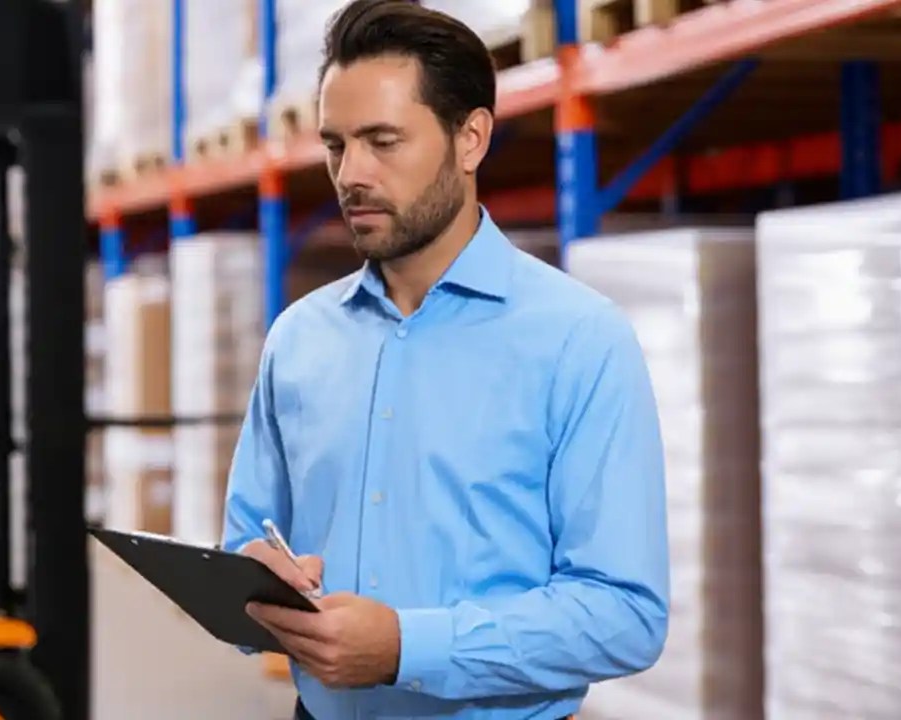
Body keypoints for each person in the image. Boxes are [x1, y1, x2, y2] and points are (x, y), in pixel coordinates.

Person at [222, 2, 669, 719]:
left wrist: (409, 645)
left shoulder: (578, 340)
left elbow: (625, 614)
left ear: (471, 139)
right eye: (337, 145)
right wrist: (255, 583)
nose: (351, 175)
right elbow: (248, 536)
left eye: (383, 141)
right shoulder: (299, 339)